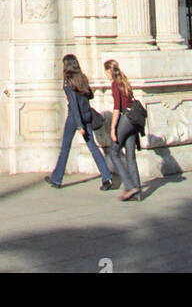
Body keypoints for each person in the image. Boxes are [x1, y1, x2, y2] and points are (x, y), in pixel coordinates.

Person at [45, 54, 113, 190]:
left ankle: (57, 178)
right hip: (87, 115)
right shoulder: (83, 79)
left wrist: (79, 125)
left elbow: (74, 106)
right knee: (93, 146)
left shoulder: (68, 84)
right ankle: (107, 177)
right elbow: (91, 96)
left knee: (65, 148)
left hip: (75, 118)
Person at [104, 58, 143, 201]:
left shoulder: (115, 84)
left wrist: (113, 128)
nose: (106, 75)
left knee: (114, 152)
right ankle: (137, 192)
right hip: (134, 119)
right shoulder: (125, 82)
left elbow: (116, 108)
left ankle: (129, 185)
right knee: (131, 157)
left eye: (106, 72)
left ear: (109, 70)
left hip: (126, 119)